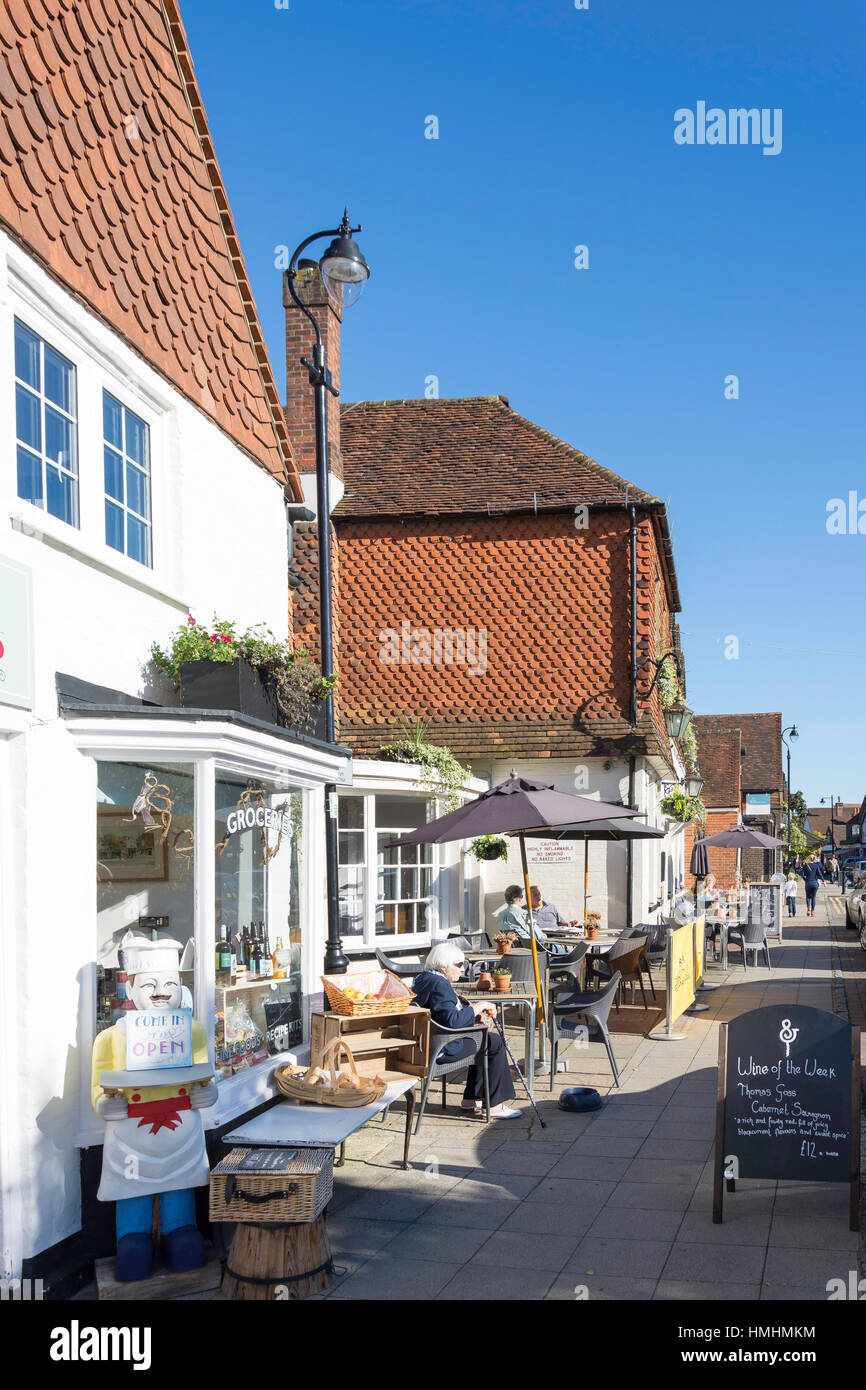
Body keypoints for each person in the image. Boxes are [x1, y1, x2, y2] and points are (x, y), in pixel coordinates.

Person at [410, 942, 519, 1119]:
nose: (463, 970)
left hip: (424, 1045)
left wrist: (465, 1007)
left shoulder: (423, 979)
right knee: (494, 1042)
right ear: (444, 966)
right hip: (441, 1049)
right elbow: (454, 1021)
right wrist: (478, 1006)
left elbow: (443, 1013)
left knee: (482, 1038)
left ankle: (472, 1098)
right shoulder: (440, 984)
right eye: (459, 965)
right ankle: (495, 1106)